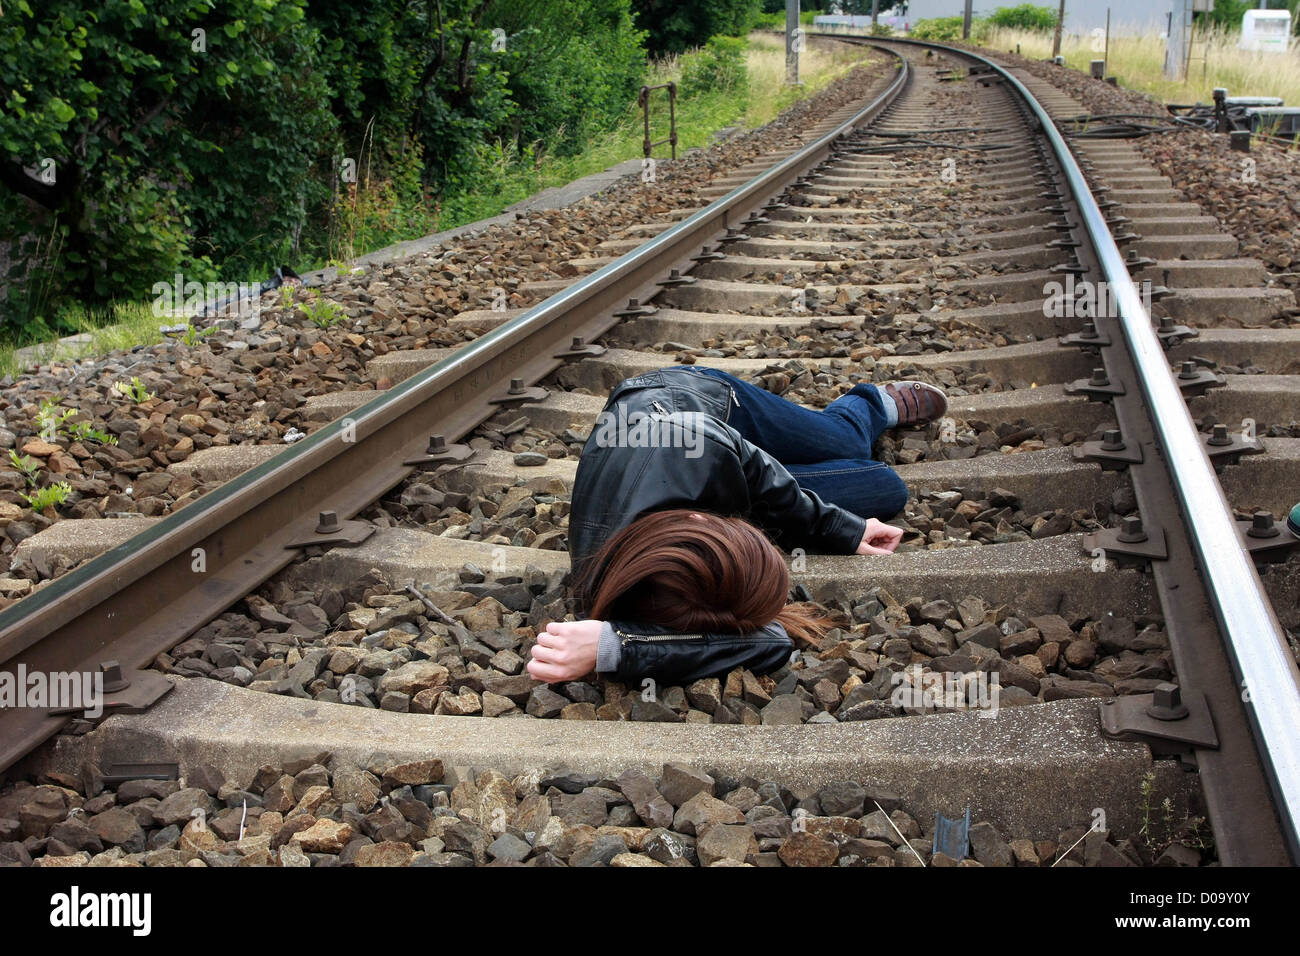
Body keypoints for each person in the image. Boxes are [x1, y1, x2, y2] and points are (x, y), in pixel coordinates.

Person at [525, 366, 947, 687]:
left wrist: (843, 529)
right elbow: (773, 642)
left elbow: (760, 473)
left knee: (844, 443)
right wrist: (616, 645)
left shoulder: (695, 441)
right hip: (699, 459)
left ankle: (868, 404)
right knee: (883, 487)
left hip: (694, 399)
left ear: (697, 517)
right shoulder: (617, 593)